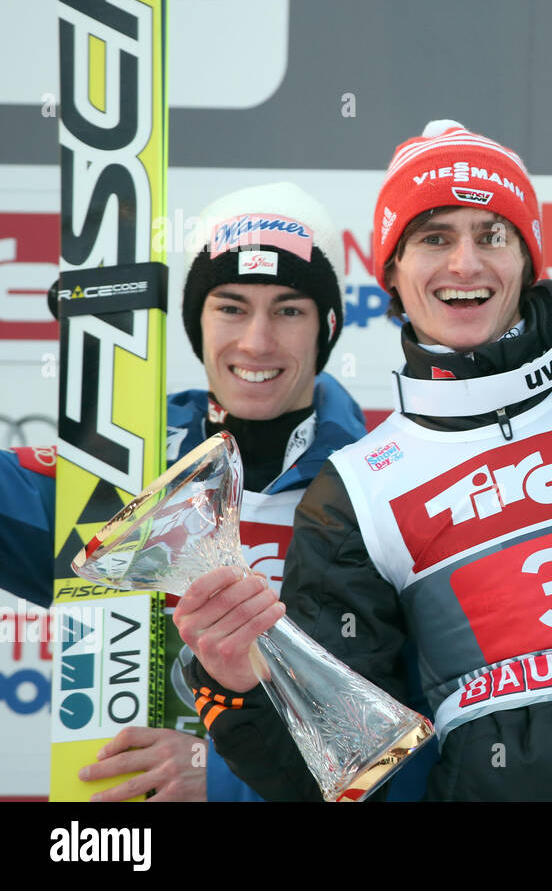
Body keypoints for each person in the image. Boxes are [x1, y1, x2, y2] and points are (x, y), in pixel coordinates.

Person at [175, 121, 552, 800]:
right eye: (435, 238)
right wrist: (236, 696)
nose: (465, 265)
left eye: (492, 234)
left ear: (530, 261)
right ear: (391, 271)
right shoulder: (360, 490)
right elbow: (355, 774)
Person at [0, 182, 366, 801]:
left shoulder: (377, 482)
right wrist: (98, 368)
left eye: (288, 309)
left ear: (327, 325)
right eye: (230, 306)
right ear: (196, 322)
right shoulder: (124, 473)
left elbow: (407, 733)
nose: (256, 341)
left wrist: (221, 777)